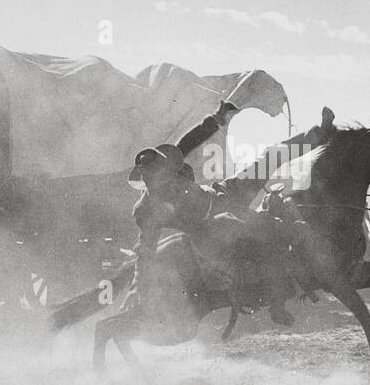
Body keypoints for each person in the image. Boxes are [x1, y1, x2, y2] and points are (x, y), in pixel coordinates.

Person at [127, 101, 298, 326]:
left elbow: (189, 141)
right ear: (144, 178)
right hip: (208, 230)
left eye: (161, 171)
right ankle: (274, 302)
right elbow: (145, 250)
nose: (159, 178)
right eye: (151, 176)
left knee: (271, 158)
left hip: (223, 193)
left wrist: (217, 119)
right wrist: (139, 287)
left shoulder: (173, 166)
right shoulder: (147, 210)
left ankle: (321, 135)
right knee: (259, 232)